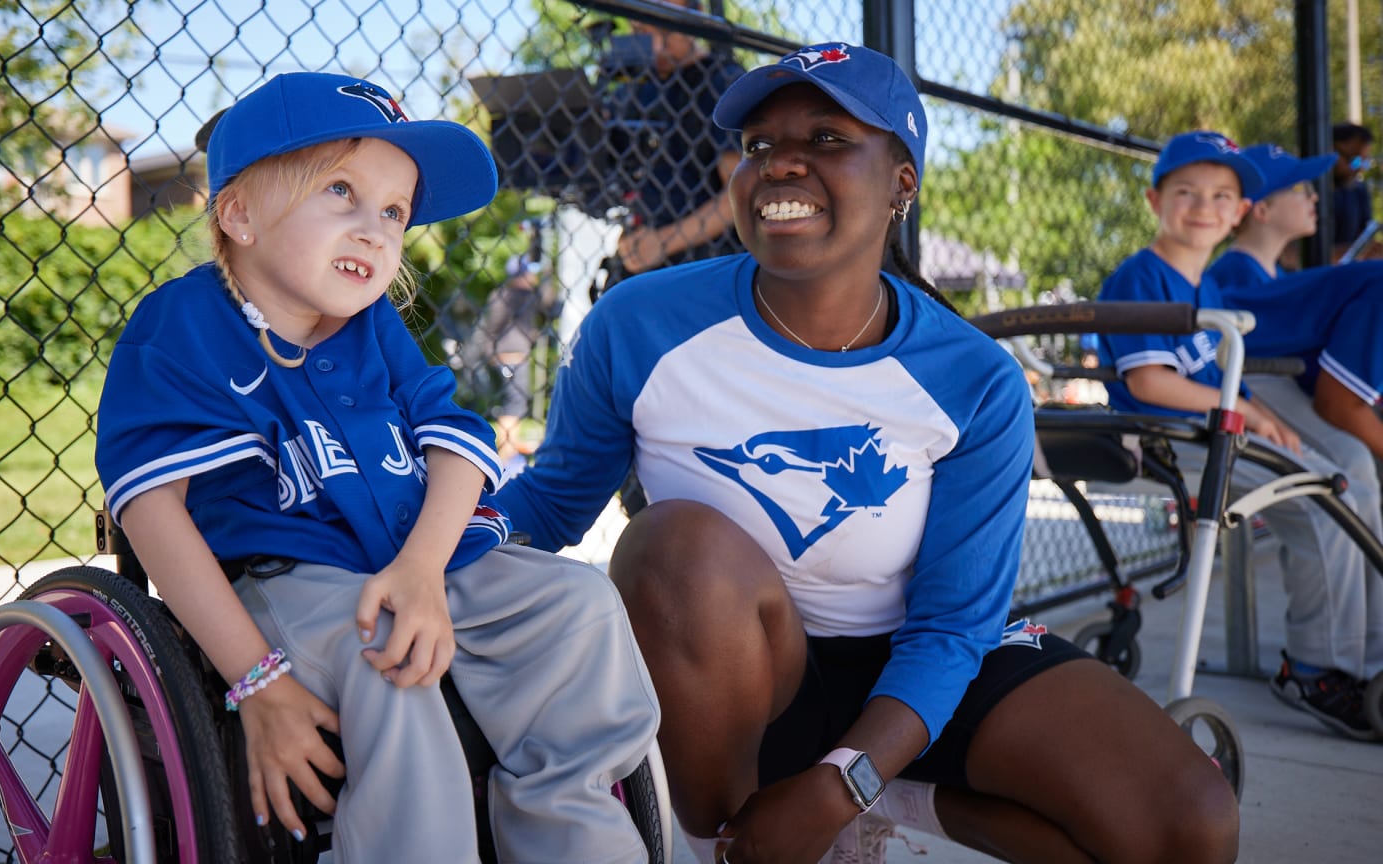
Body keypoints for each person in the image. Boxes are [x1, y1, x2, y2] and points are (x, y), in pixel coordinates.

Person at [500, 44, 1239, 864]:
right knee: (676, 548)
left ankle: (882, 797)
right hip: (749, 684)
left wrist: (842, 782)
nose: (780, 163)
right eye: (757, 147)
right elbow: (551, 505)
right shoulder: (639, 322)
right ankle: (722, 833)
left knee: (1189, 826)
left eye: (825, 139)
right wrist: (408, 551)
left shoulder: (974, 379)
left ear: (902, 184)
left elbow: (955, 627)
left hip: (923, 669)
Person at [93, 72, 659, 862]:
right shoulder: (183, 322)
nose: (375, 231)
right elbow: (152, 512)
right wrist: (257, 684)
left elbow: (460, 448)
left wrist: (426, 569)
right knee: (389, 663)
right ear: (239, 213)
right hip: (288, 578)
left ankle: (570, 828)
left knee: (581, 604)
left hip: (424, 566)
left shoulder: (372, 324)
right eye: (341, 192)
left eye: (393, 212)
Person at [1098, 131, 1383, 742]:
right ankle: (1317, 669)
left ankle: (1361, 660)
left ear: (1237, 212)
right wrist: (1248, 415)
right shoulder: (1141, 275)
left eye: (1220, 195)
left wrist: (1262, 414)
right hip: (1169, 439)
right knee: (1317, 505)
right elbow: (1151, 382)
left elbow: (1220, 374)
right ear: (1154, 201)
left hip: (1212, 432)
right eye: (1186, 192)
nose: (1203, 206)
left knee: (1338, 484)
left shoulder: (1211, 287)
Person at [1208, 143, 1383, 463]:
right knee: (1350, 459)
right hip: (1247, 387)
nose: (1315, 197)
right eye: (1301, 189)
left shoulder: (1274, 273)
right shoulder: (1235, 271)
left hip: (1279, 389)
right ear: (1260, 210)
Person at [605, 0, 746, 276]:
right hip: (644, 260)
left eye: (667, 32)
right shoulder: (633, 90)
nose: (656, 46)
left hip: (710, 264)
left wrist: (663, 242)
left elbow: (739, 192)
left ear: (696, 20)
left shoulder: (723, 82)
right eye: (640, 30)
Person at [470, 252, 560, 466]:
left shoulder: (528, 296)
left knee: (516, 403)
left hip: (517, 356)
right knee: (513, 404)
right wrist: (490, 351)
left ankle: (507, 453)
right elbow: (492, 325)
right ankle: (505, 455)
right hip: (508, 355)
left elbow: (553, 308)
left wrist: (547, 279)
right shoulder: (505, 295)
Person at [1331, 122, 1377, 262]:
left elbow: (1365, 239)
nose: (1359, 168)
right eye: (1353, 160)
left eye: (1365, 162)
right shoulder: (1306, 193)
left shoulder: (1358, 191)